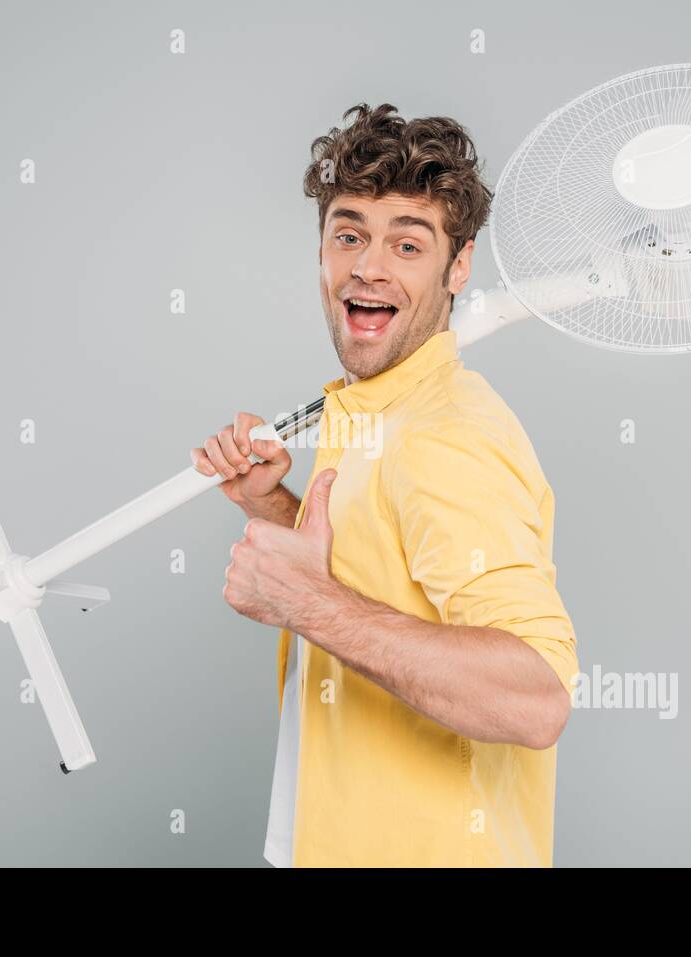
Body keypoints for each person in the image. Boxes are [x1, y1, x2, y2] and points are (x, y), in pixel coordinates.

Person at [190, 103, 579, 867]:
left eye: (408, 242)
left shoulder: (448, 433)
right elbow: (385, 580)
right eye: (349, 234)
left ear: (458, 267)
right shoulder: (376, 403)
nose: (368, 265)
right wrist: (273, 505)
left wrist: (304, 600)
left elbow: (536, 696)